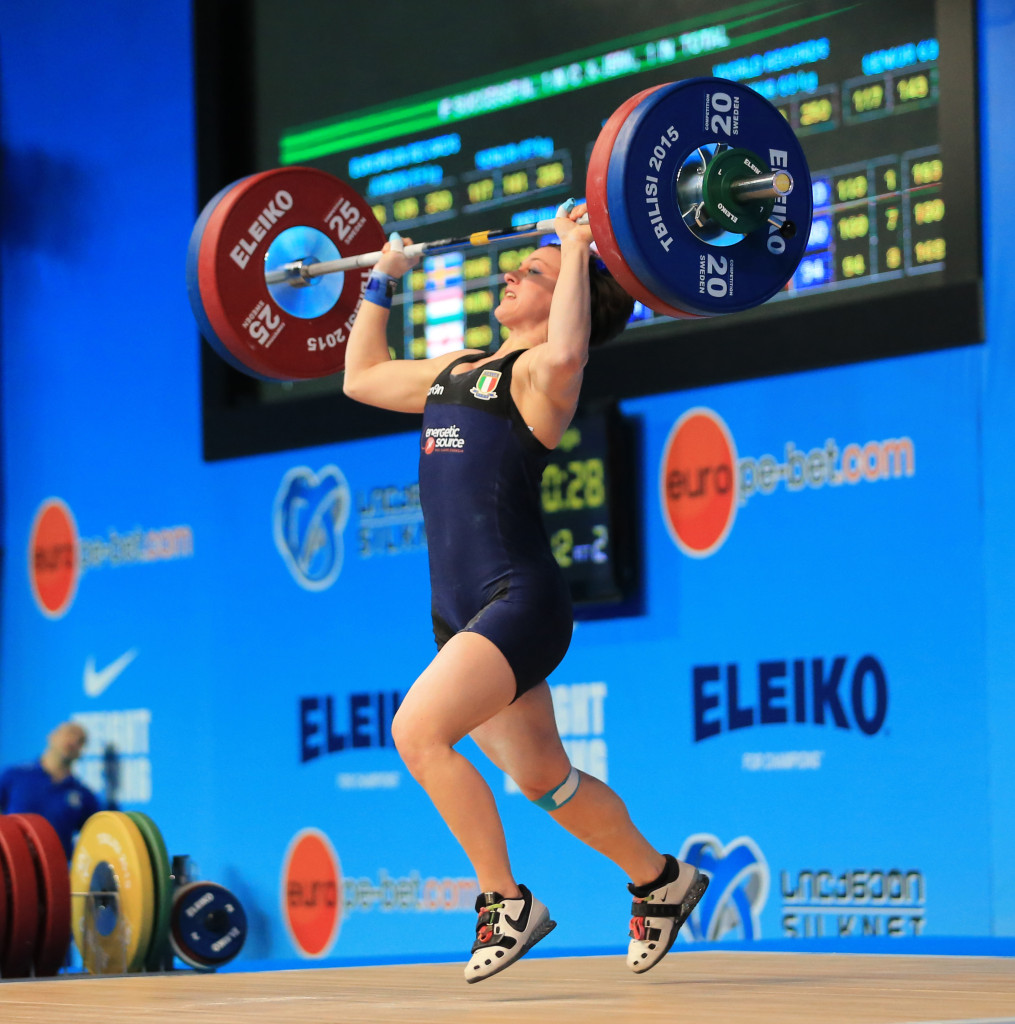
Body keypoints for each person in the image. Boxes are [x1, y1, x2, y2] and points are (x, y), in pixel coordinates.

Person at [343, 200, 708, 983]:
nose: (512, 272)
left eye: (532, 271)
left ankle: (503, 901)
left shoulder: (542, 377)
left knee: (416, 734)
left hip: (518, 601)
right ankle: (658, 879)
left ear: (564, 292)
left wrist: (574, 246)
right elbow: (361, 377)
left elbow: (570, 347)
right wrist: (382, 280)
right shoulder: (456, 370)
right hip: (458, 613)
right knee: (545, 779)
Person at [0, 720, 100, 858]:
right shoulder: (15, 776)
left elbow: (96, 836)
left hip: (56, 867)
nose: (73, 741)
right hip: (13, 863)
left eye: (80, 740)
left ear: (81, 752)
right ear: (51, 736)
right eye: (69, 733)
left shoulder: (84, 795)